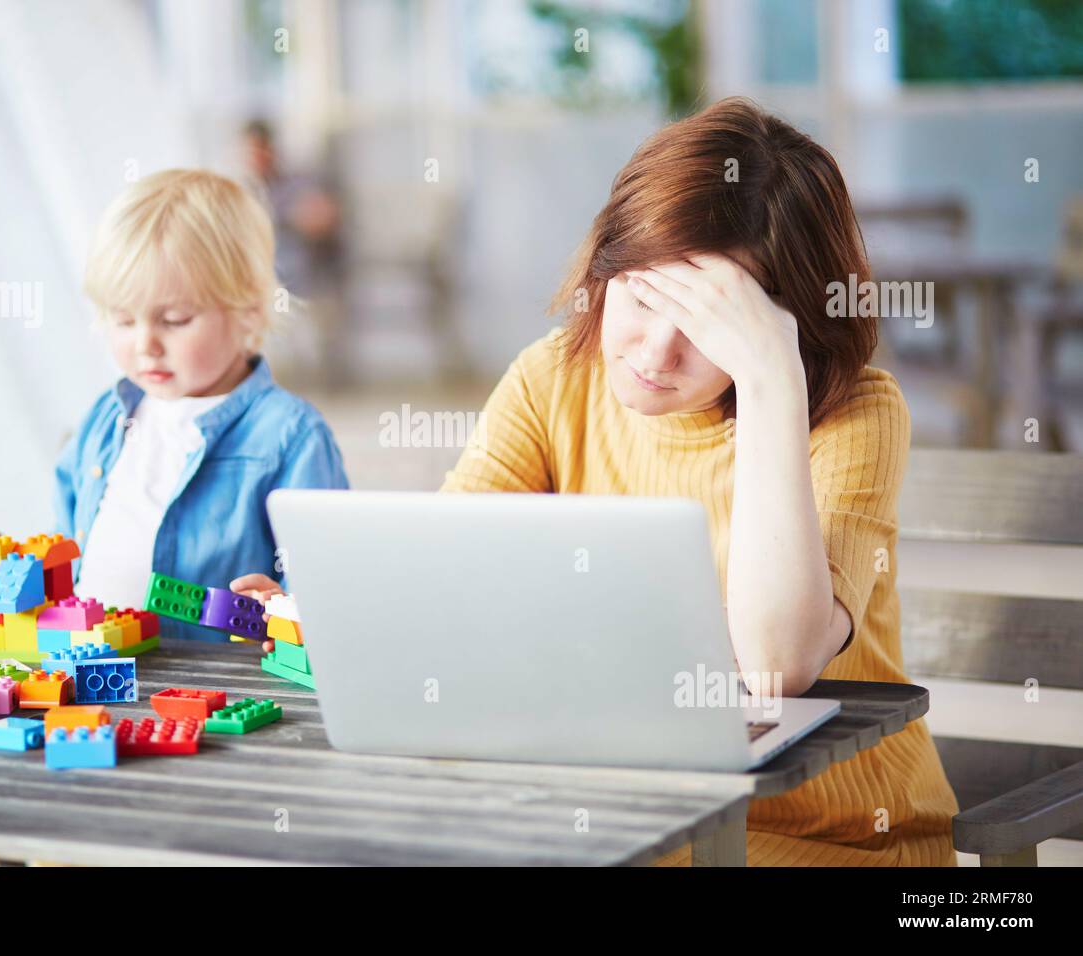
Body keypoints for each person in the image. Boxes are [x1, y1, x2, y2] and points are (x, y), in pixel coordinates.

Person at [235, 97, 959, 866]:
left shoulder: (855, 416)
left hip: (828, 833)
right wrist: (327, 606)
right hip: (628, 815)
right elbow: (446, 568)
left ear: (784, 327)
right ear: (605, 268)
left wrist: (773, 379)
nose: (655, 352)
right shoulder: (553, 379)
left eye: (711, 326)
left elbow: (777, 664)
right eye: (642, 299)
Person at [0, 169, 348, 641]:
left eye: (175, 319)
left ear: (248, 310)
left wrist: (284, 609)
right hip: (99, 677)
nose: (146, 344)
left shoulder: (290, 436)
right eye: (122, 319)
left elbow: (332, 587)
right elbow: (63, 574)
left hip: (217, 695)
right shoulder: (107, 419)